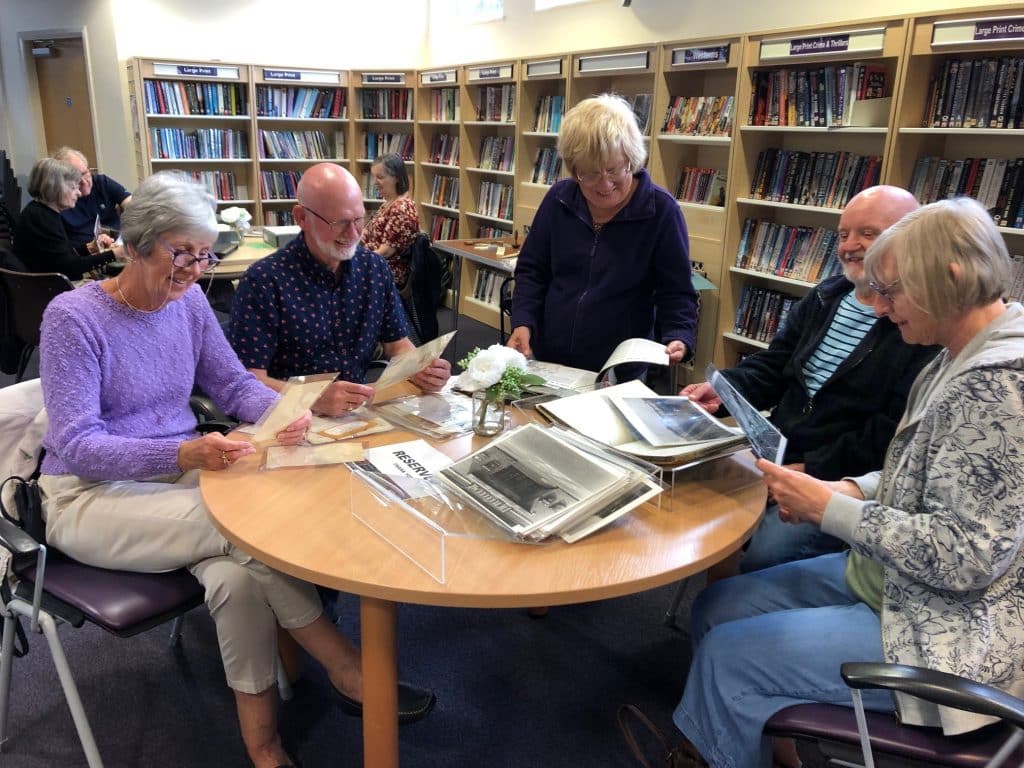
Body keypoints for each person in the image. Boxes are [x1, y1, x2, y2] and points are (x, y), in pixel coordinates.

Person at [37, 171, 435, 768]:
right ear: (137, 242)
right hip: (85, 492)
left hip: (172, 477)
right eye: (182, 253)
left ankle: (264, 747)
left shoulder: (189, 301)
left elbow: (230, 383)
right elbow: (79, 442)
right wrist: (179, 453)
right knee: (248, 529)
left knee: (239, 579)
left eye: (204, 254)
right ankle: (349, 669)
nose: (196, 269)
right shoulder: (74, 318)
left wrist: (286, 414)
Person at [669, 196, 1024, 768]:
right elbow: (920, 471)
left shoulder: (997, 389)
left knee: (728, 656)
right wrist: (853, 489)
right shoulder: (951, 355)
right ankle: (758, 739)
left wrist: (830, 509)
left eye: (893, 292)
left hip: (946, 629)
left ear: (950, 277)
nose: (880, 308)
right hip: (892, 582)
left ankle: (710, 746)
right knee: (717, 607)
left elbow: (969, 555)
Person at [681, 185, 937, 573]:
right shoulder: (827, 296)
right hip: (777, 452)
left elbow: (886, 437)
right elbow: (775, 365)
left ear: (909, 239)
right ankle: (719, 608)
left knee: (765, 555)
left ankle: (737, 616)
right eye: (843, 234)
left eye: (868, 233)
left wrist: (808, 470)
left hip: (838, 478)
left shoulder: (918, 329)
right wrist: (723, 390)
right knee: (692, 498)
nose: (850, 246)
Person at [230, 162, 450, 417]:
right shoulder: (265, 281)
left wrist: (422, 368)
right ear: (302, 217)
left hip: (354, 416)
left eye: (359, 219)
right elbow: (247, 380)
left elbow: (397, 344)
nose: (353, 233)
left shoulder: (374, 270)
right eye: (339, 222)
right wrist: (310, 398)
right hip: (285, 421)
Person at [508, 93, 698, 376]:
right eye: (591, 173)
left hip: (618, 368)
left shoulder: (661, 211)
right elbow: (532, 269)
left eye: (613, 170)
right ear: (575, 169)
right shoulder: (559, 199)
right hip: (551, 358)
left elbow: (677, 291)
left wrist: (679, 335)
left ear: (631, 161)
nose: (604, 184)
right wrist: (523, 321)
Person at [13, 157, 117, 279]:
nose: (78, 193)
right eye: (73, 188)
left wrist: (90, 247)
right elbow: (71, 268)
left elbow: (62, 258)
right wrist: (115, 253)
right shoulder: (40, 218)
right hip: (46, 290)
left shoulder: (43, 212)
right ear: (55, 187)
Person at [53, 146, 132, 257]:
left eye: (85, 173)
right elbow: (65, 255)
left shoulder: (101, 182)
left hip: (118, 245)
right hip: (87, 256)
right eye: (75, 178)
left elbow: (132, 205)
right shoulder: (58, 204)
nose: (84, 182)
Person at [361, 152, 420, 287]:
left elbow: (386, 252)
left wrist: (359, 259)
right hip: (376, 263)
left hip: (387, 270)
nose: (375, 182)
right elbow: (372, 231)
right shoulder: (388, 203)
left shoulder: (402, 209)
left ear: (397, 178)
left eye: (380, 177)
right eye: (374, 177)